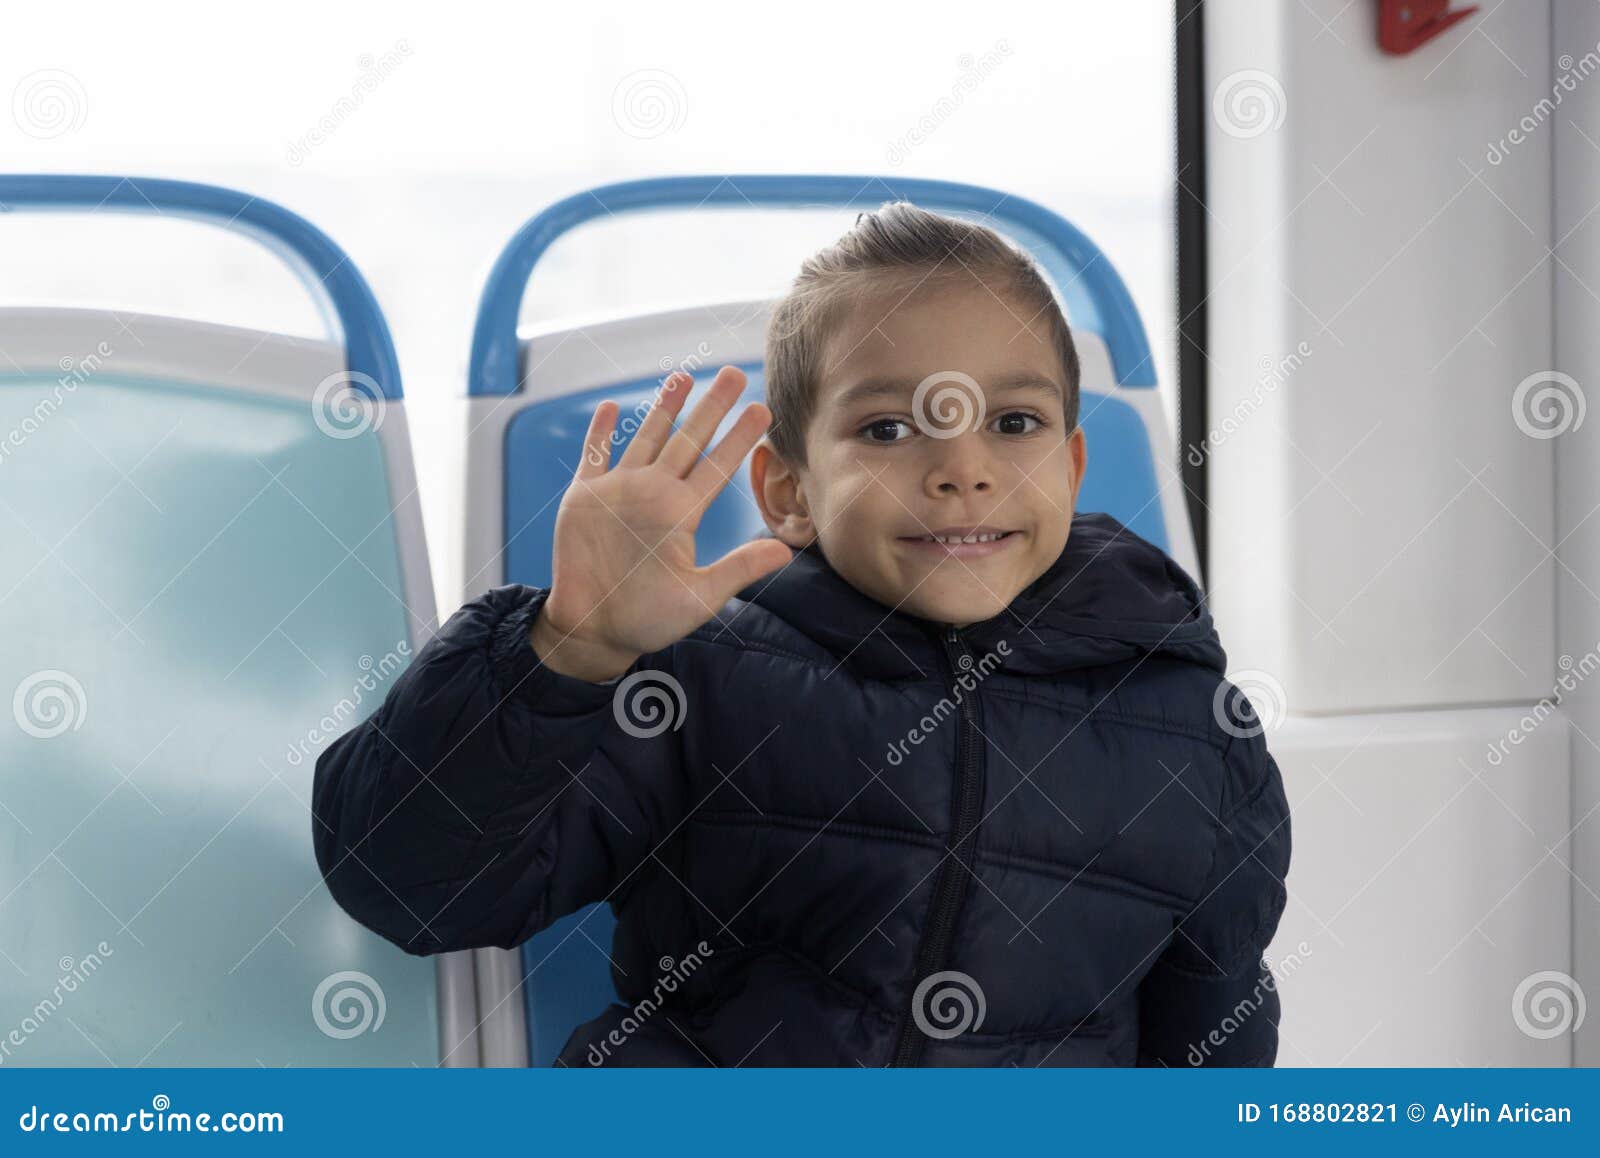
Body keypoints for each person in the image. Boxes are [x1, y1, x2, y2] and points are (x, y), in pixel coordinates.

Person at [312, 202, 1292, 1066]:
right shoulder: (699, 679)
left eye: (1013, 422)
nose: (962, 469)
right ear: (787, 490)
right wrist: (568, 649)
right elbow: (419, 891)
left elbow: (1212, 1044)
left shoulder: (1191, 728)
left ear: (1072, 466)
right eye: (887, 431)